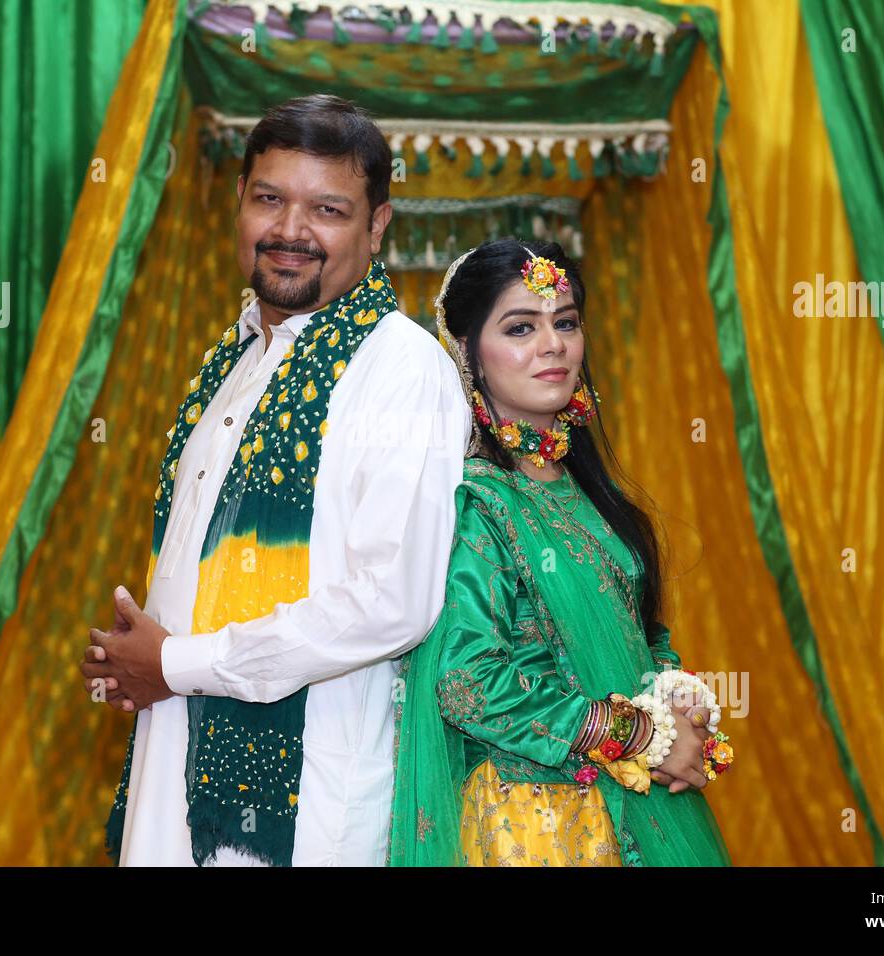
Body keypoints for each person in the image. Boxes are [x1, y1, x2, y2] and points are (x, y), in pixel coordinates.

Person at [80, 94, 469, 866]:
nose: (291, 232)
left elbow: (391, 600)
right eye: (269, 199)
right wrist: (152, 660)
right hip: (175, 761)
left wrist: (172, 663)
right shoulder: (237, 353)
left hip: (307, 806)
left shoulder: (401, 366)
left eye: (327, 209)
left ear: (378, 226)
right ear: (241, 204)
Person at [389, 238, 734, 866]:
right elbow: (469, 684)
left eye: (566, 322)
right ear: (467, 353)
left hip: (631, 806)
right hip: (534, 825)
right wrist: (637, 733)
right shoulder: (475, 503)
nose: (553, 344)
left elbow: (638, 635)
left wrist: (674, 694)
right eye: (522, 327)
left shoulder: (592, 496)